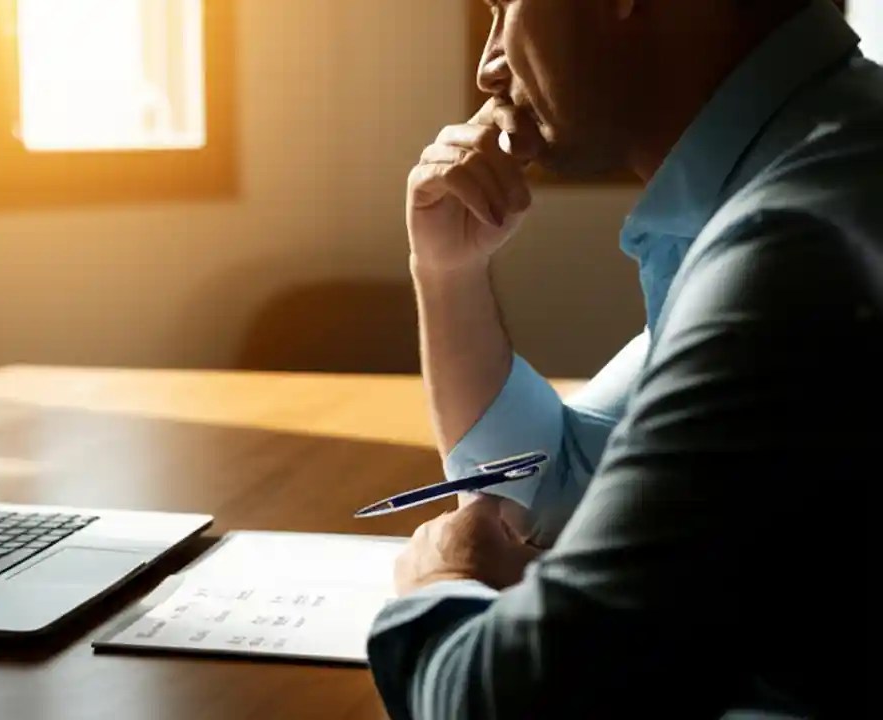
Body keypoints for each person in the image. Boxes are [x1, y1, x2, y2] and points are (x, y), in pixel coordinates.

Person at [368, 0, 883, 718]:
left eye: (505, 9)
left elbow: (514, 701)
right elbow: (557, 481)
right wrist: (449, 272)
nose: (488, 66)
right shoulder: (822, 150)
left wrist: (436, 587)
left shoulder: (793, 246)